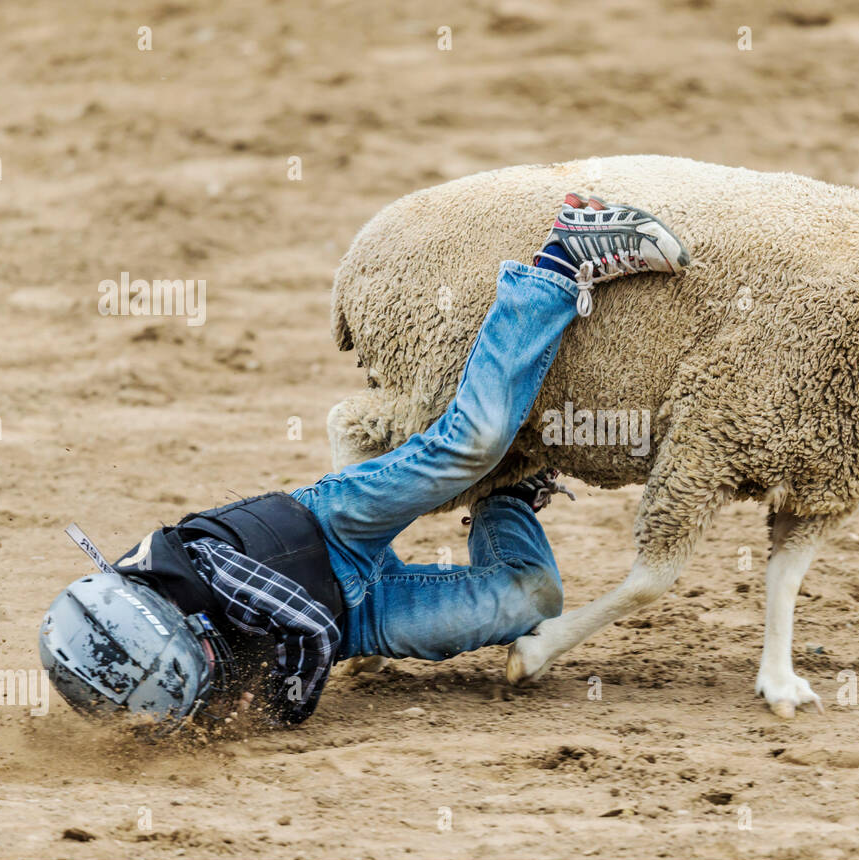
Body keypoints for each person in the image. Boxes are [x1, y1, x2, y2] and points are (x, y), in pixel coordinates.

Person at [38, 194, 691, 730]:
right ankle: (509, 497)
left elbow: (308, 628)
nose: (210, 668)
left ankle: (559, 259)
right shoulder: (149, 678)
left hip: (330, 530)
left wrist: (279, 703)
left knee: (471, 442)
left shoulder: (179, 563)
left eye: (202, 655)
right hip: (360, 617)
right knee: (535, 600)